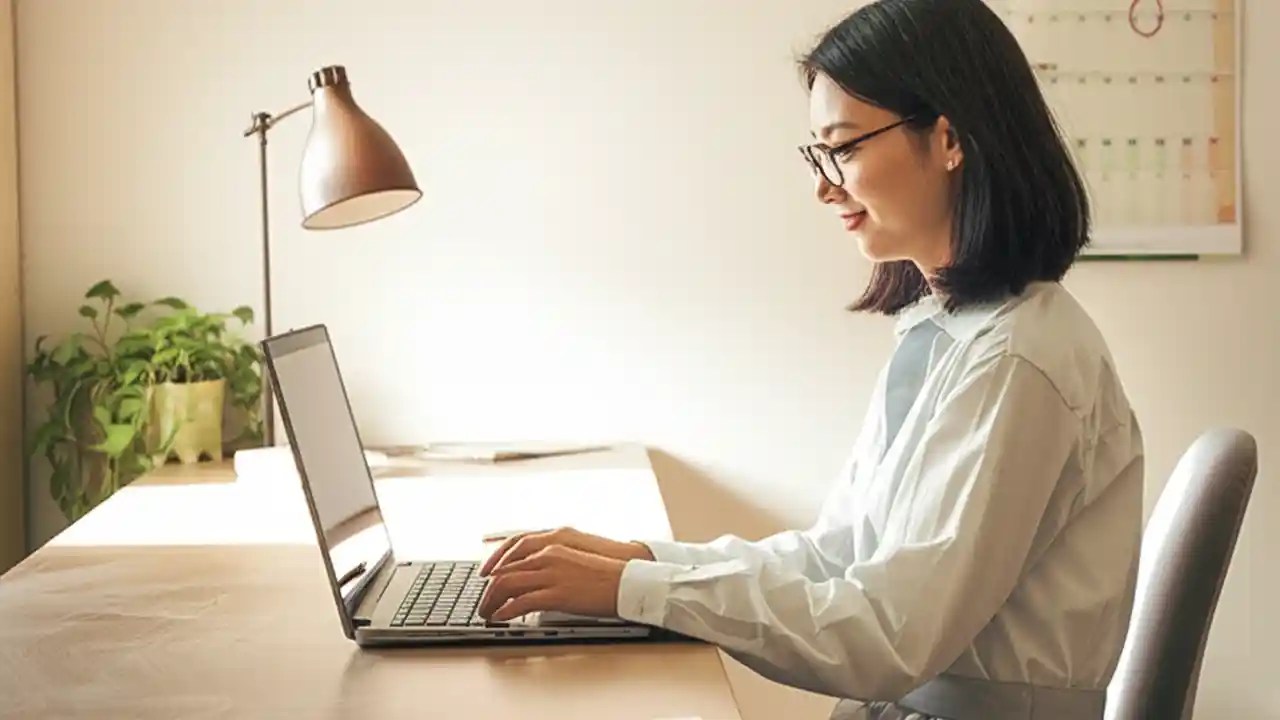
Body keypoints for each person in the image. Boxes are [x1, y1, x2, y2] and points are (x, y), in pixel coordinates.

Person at [476, 0, 1145, 717]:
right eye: (819, 154)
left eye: (844, 148)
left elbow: (887, 635)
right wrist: (636, 561)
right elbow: (837, 558)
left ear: (949, 138)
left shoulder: (1017, 362)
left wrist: (634, 591)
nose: (824, 186)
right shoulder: (952, 334)